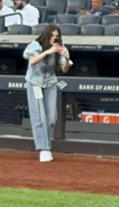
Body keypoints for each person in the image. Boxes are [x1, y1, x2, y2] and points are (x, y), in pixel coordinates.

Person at [23, 24, 72, 163]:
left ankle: (47, 146)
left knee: (51, 118)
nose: (54, 38)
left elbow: (64, 69)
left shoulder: (60, 48)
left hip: (50, 83)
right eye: (52, 36)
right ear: (46, 35)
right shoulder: (35, 45)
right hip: (35, 83)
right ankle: (43, 148)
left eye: (57, 36)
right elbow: (32, 61)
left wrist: (66, 57)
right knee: (39, 117)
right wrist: (48, 52)